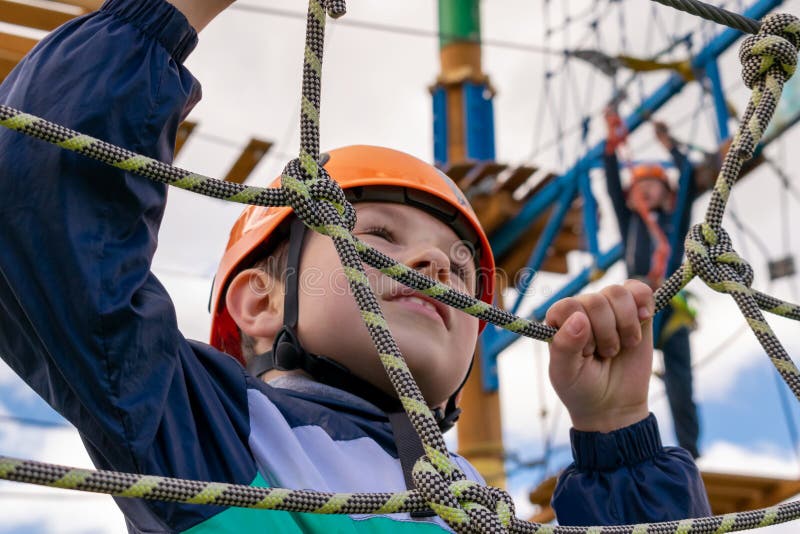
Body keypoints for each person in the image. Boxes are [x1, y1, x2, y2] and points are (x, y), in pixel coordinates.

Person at [0, 0, 710, 531]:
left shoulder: (480, 507)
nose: (436, 262)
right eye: (376, 234)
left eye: (464, 272)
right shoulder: (205, 428)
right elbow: (44, 215)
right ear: (258, 302)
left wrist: (618, 440)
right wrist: (167, 14)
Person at [603, 110, 702, 459]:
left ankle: (690, 449)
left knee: (680, 380)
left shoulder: (675, 220)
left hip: (671, 300)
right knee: (631, 378)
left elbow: (688, 177)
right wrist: (611, 146)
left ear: (667, 195)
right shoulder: (630, 219)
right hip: (640, 301)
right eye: (639, 187)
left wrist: (669, 144)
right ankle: (630, 447)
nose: (644, 191)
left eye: (653, 186)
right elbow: (614, 183)